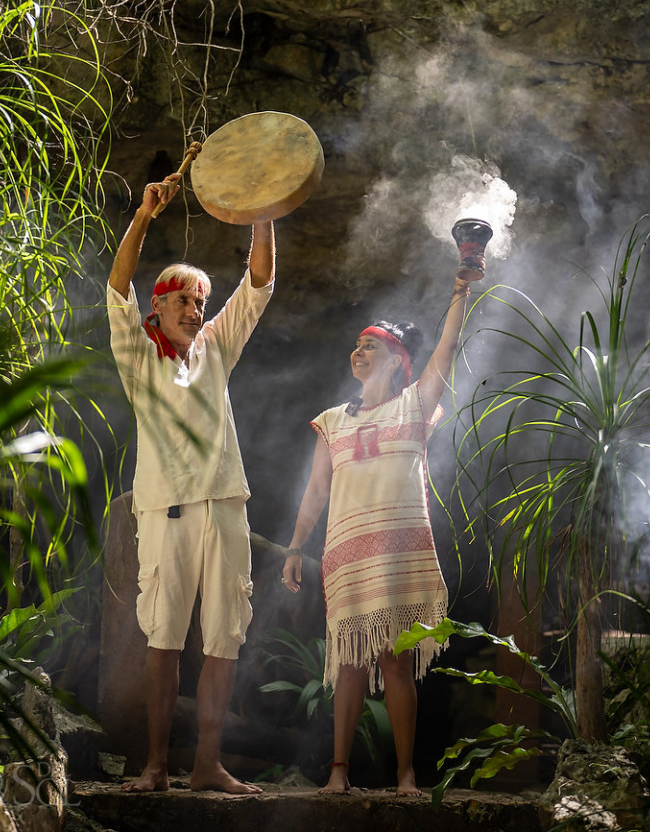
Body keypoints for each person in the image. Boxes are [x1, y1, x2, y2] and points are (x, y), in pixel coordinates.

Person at [107, 168, 275, 794]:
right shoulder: (137, 352)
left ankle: (207, 764)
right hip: (165, 507)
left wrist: (264, 207)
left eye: (200, 303)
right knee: (165, 638)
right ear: (159, 304)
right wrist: (145, 214)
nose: (195, 310)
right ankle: (156, 767)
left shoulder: (214, 348)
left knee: (226, 636)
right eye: (183, 300)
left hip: (225, 503)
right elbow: (117, 284)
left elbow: (259, 284)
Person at [281, 268, 473, 796]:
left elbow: (447, 348)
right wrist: (297, 547)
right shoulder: (332, 421)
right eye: (356, 346)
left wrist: (461, 291)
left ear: (396, 360)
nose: (357, 353)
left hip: (399, 550)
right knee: (348, 660)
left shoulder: (415, 404)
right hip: (346, 552)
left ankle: (405, 774)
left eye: (369, 346)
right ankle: (338, 772)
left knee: (396, 661)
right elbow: (316, 491)